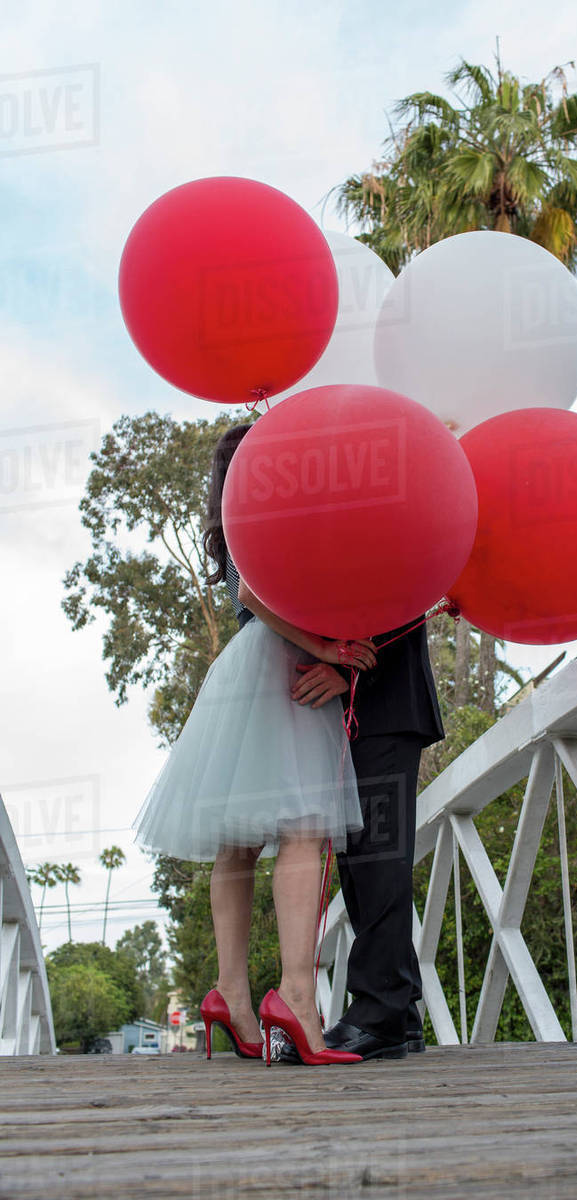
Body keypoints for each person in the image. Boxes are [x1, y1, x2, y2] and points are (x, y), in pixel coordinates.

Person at [134, 424, 374, 1066]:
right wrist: (325, 647)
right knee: (302, 828)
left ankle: (231, 996)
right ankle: (295, 997)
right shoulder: (267, 507)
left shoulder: (236, 512)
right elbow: (250, 593)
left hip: (243, 671)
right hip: (282, 663)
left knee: (237, 841)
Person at [285, 606, 445, 1062]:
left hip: (386, 703)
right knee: (361, 868)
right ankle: (401, 1014)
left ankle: (380, 1015)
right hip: (357, 712)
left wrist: (347, 671)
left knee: (378, 863)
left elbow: (404, 597)